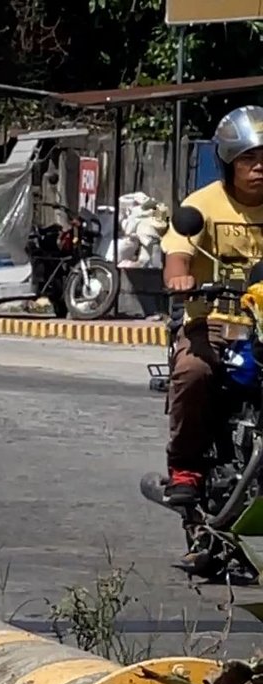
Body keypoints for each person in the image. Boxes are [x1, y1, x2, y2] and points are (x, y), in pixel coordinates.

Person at [160, 105, 263, 508]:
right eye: (248, 158)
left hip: (262, 325)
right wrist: (179, 278)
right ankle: (184, 467)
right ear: (228, 162)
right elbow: (177, 255)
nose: (258, 167)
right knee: (193, 371)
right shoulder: (201, 206)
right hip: (214, 323)